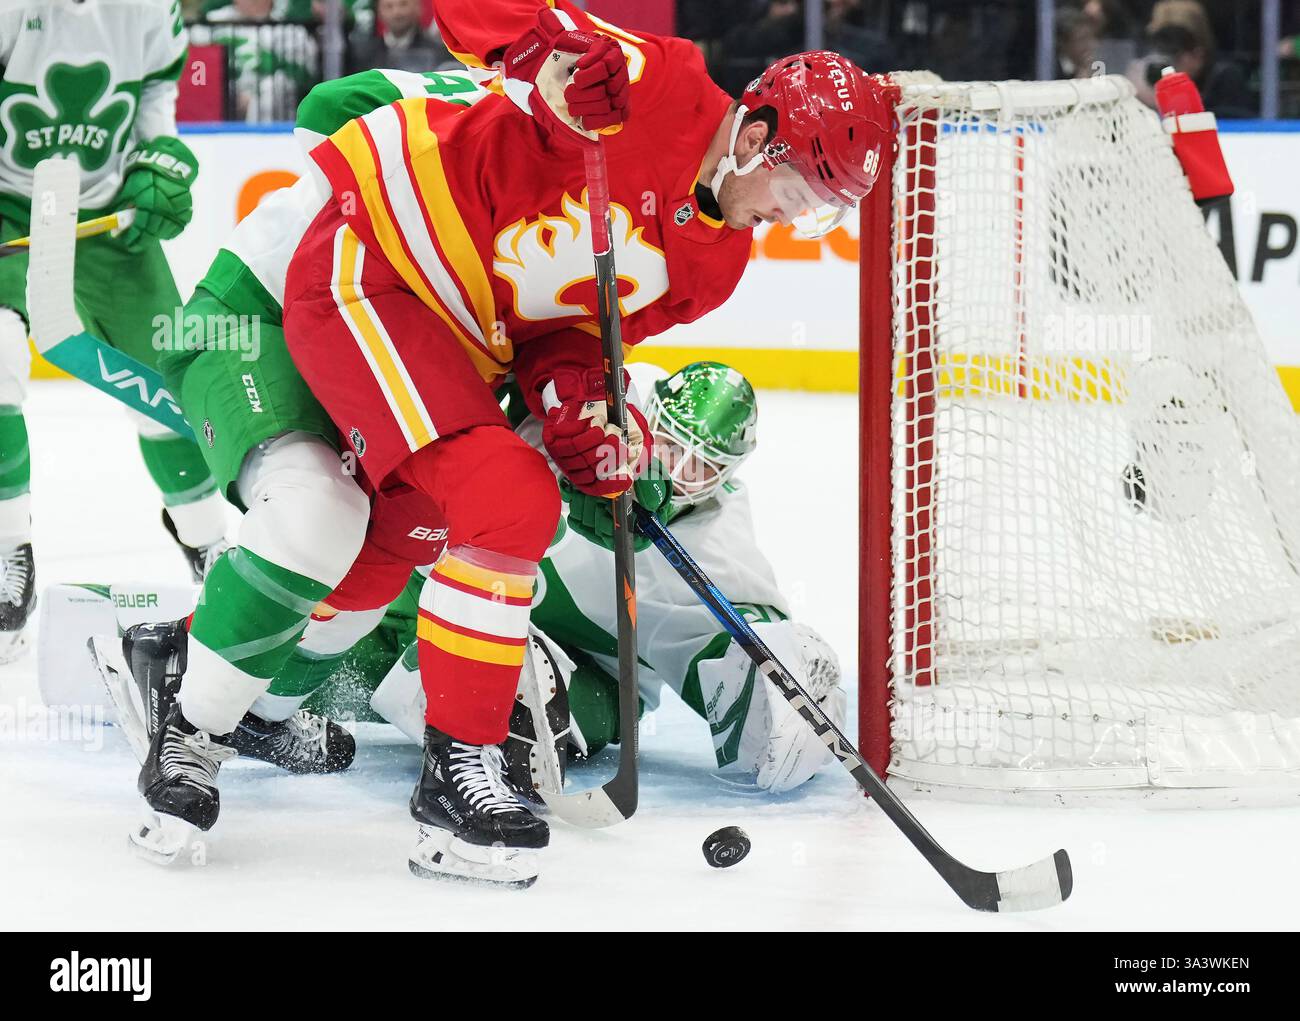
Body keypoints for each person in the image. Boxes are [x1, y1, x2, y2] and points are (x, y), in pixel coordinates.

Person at [124, 0, 891, 888]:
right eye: (798, 198)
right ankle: (239, 732)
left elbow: (566, 334)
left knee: (387, 547)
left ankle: (191, 650)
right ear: (757, 139)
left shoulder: (715, 265)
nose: (793, 222)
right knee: (482, 499)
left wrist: (583, 411)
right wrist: (549, 69)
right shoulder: (658, 81)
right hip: (378, 259)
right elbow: (472, 18)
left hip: (451, 340)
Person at [0, 0, 229, 662]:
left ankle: (209, 543)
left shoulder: (154, 7)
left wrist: (158, 152)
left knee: (168, 390)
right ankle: (9, 548)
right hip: (12, 205)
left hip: (111, 213)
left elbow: (158, 82)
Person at [1130, 0, 1253, 119]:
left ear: (1197, 55)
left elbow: (1239, 124)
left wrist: (1171, 103)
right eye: (1159, 45)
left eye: (1173, 50)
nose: (1164, 58)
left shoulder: (1225, 78)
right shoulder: (1143, 72)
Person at [349, 0, 454, 74]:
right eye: (389, 6)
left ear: (418, 7)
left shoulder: (438, 51)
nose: (396, 13)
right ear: (379, 12)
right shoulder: (363, 54)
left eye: (403, 4)